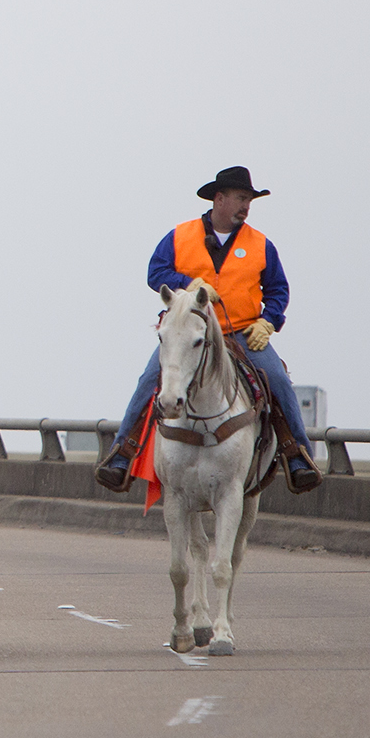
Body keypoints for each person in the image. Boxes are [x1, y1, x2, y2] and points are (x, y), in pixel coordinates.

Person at [94, 167, 322, 494]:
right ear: (220, 198)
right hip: (189, 333)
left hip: (243, 332)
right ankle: (122, 454)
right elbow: (155, 272)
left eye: (249, 200)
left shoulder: (261, 245)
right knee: (149, 379)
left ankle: (298, 456)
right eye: (241, 199)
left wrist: (269, 320)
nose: (246, 206)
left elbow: (278, 290)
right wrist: (188, 283)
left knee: (279, 380)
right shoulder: (179, 236)